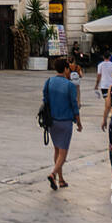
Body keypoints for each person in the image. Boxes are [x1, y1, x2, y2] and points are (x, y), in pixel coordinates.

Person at [44, 57, 81, 189]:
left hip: (52, 121)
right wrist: (79, 121)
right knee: (63, 153)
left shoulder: (49, 82)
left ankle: (61, 180)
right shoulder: (69, 85)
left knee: (57, 150)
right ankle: (53, 174)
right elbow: (74, 105)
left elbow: (45, 100)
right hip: (65, 122)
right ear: (65, 69)